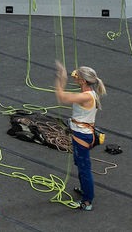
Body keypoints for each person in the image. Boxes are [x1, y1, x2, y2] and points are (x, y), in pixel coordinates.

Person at [51, 60, 105, 212]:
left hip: (82, 136)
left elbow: (62, 97)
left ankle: (87, 201)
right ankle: (85, 191)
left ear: (82, 81)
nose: (73, 77)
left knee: (84, 169)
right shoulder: (89, 93)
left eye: (76, 76)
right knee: (81, 166)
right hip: (81, 134)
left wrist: (61, 78)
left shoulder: (86, 97)